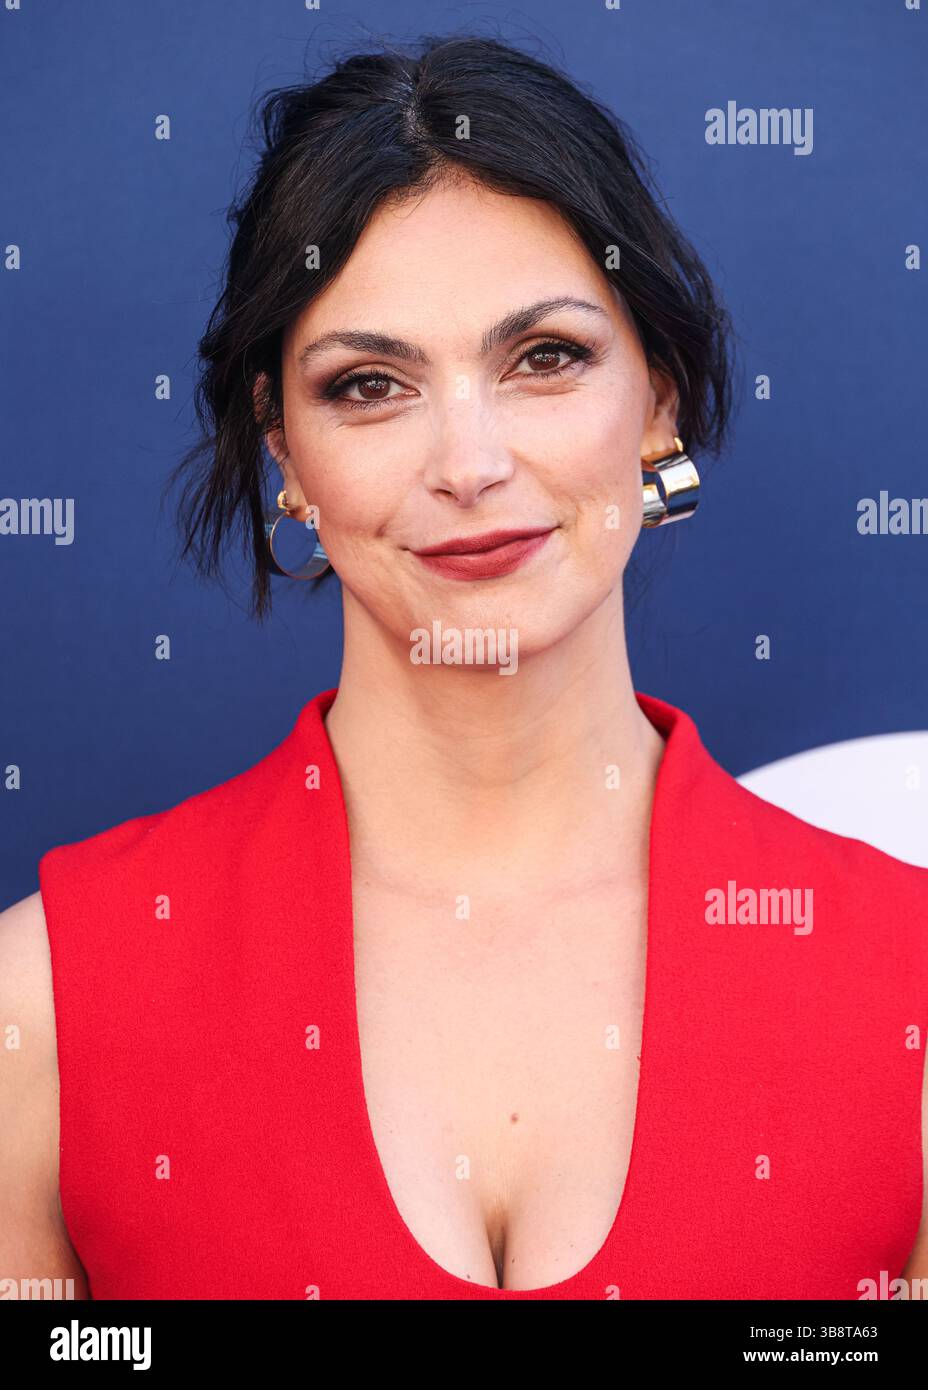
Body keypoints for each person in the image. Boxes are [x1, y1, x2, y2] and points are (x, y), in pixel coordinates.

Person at [2, 34, 926, 1300]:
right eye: (369, 385)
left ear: (656, 400)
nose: (469, 464)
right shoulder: (47, 1002)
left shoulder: (904, 983)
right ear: (284, 452)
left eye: (544, 357)